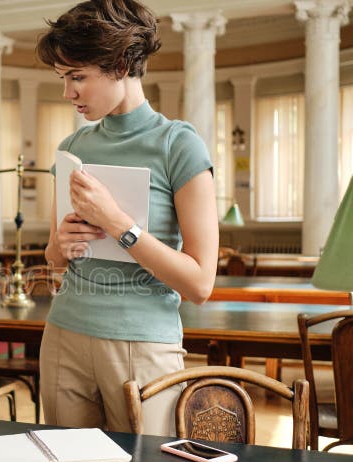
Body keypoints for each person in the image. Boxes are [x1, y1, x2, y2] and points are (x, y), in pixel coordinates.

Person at [35, 0, 218, 435]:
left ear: (120, 64)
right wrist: (60, 243)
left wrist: (118, 224)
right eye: (63, 78)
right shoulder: (71, 146)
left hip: (144, 344)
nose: (68, 93)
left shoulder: (179, 146)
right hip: (64, 335)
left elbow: (200, 284)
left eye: (77, 77)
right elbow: (54, 260)